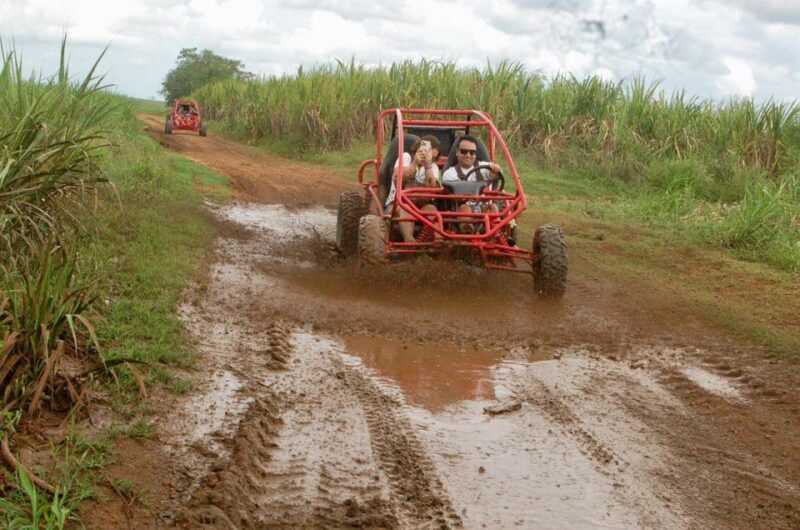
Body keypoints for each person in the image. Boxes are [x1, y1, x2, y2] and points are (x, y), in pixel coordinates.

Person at [385, 135, 443, 243]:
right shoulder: (406, 157)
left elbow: (433, 189)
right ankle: (409, 240)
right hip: (398, 203)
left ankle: (439, 240)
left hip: (421, 204)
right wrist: (415, 163)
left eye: (433, 156)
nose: (427, 156)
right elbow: (399, 180)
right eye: (426, 152)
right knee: (406, 208)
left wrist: (428, 166)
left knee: (431, 209)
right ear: (418, 148)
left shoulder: (433, 167)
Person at [441, 135, 501, 233]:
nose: (468, 155)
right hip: (461, 210)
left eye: (472, 152)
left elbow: (496, 175)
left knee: (493, 207)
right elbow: (452, 198)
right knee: (465, 209)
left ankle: (497, 234)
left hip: (483, 208)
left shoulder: (484, 167)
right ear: (457, 152)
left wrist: (495, 170)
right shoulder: (450, 173)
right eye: (464, 151)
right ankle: (468, 235)